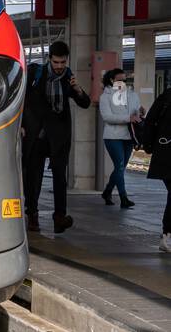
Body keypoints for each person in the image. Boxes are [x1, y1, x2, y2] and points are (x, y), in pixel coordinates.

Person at [22, 40, 91, 233]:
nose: (59, 67)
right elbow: (22, 101)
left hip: (58, 136)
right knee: (33, 177)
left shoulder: (68, 77)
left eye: (63, 62)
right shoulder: (36, 74)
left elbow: (85, 103)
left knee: (60, 177)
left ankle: (59, 217)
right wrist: (21, 125)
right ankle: (32, 215)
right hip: (37, 135)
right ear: (49, 59)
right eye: (56, 62)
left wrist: (77, 89)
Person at [98, 68, 143, 207]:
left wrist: (140, 112)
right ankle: (123, 198)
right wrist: (127, 118)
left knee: (120, 168)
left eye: (125, 80)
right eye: (120, 80)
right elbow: (107, 117)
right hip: (113, 136)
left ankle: (107, 191)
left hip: (129, 135)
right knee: (120, 165)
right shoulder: (105, 97)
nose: (123, 82)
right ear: (112, 80)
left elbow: (136, 111)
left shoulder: (132, 95)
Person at [143, 83, 171, 252]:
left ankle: (166, 234)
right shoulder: (167, 97)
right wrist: (148, 145)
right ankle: (166, 234)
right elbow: (150, 120)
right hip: (166, 153)